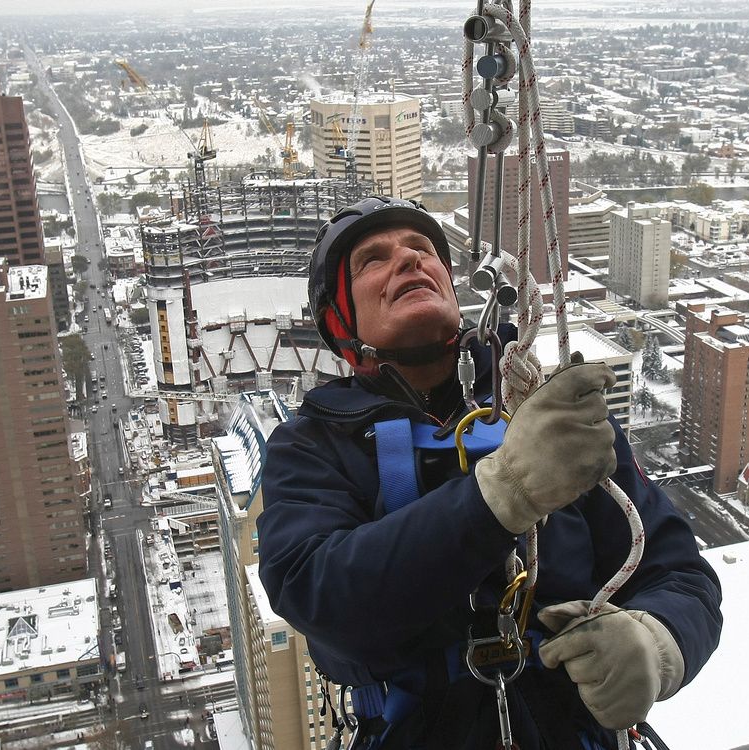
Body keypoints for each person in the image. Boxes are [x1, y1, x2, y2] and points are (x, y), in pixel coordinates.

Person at [257, 196, 723, 750]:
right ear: (340, 320)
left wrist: (655, 640)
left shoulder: (549, 416)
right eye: (373, 261)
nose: (409, 262)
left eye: (423, 251)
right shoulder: (313, 447)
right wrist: (500, 497)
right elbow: (315, 591)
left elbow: (679, 573)